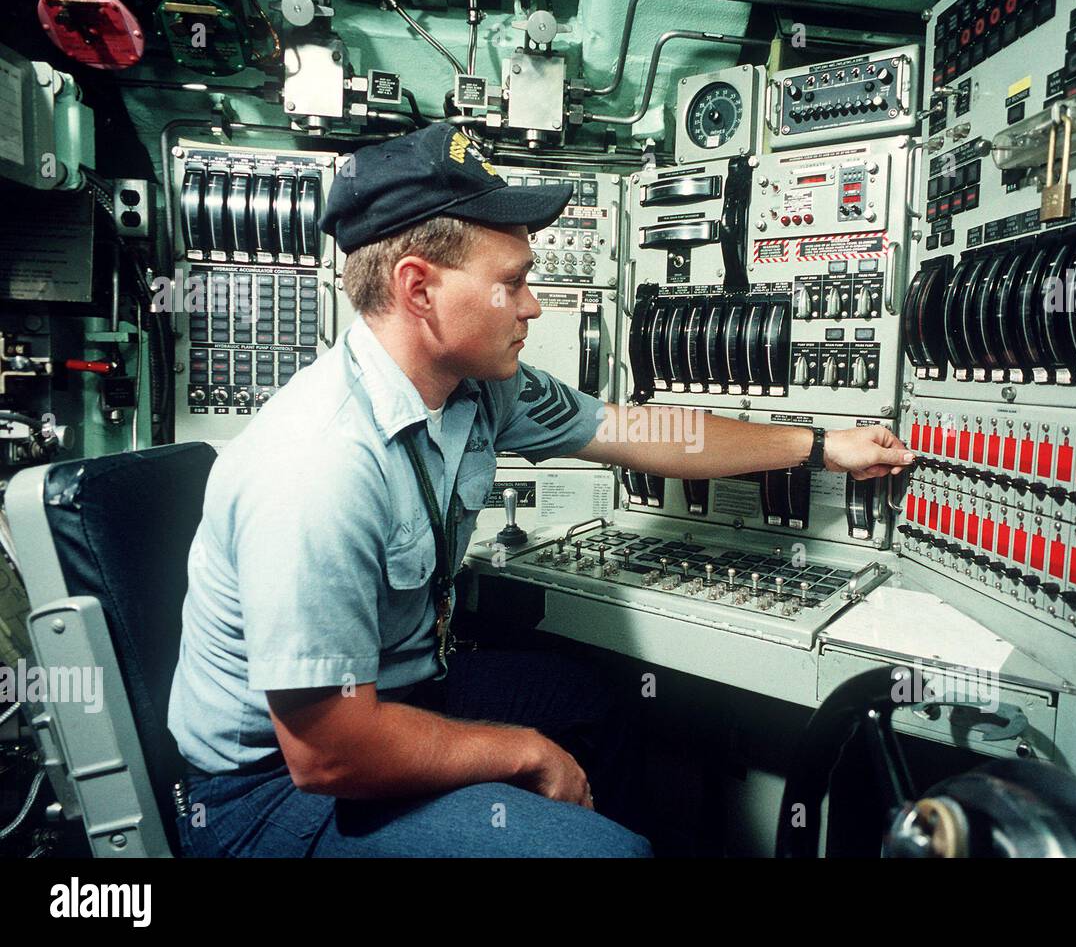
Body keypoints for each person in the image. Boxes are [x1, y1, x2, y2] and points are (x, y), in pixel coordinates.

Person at [167, 124, 914, 858]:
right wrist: (521, 751)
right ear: (418, 288)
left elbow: (636, 432)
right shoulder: (316, 465)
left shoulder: (478, 389)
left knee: (593, 703)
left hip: (400, 695)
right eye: (512, 282)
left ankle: (613, 832)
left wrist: (819, 447)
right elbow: (327, 751)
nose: (533, 307)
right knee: (598, 849)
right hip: (274, 794)